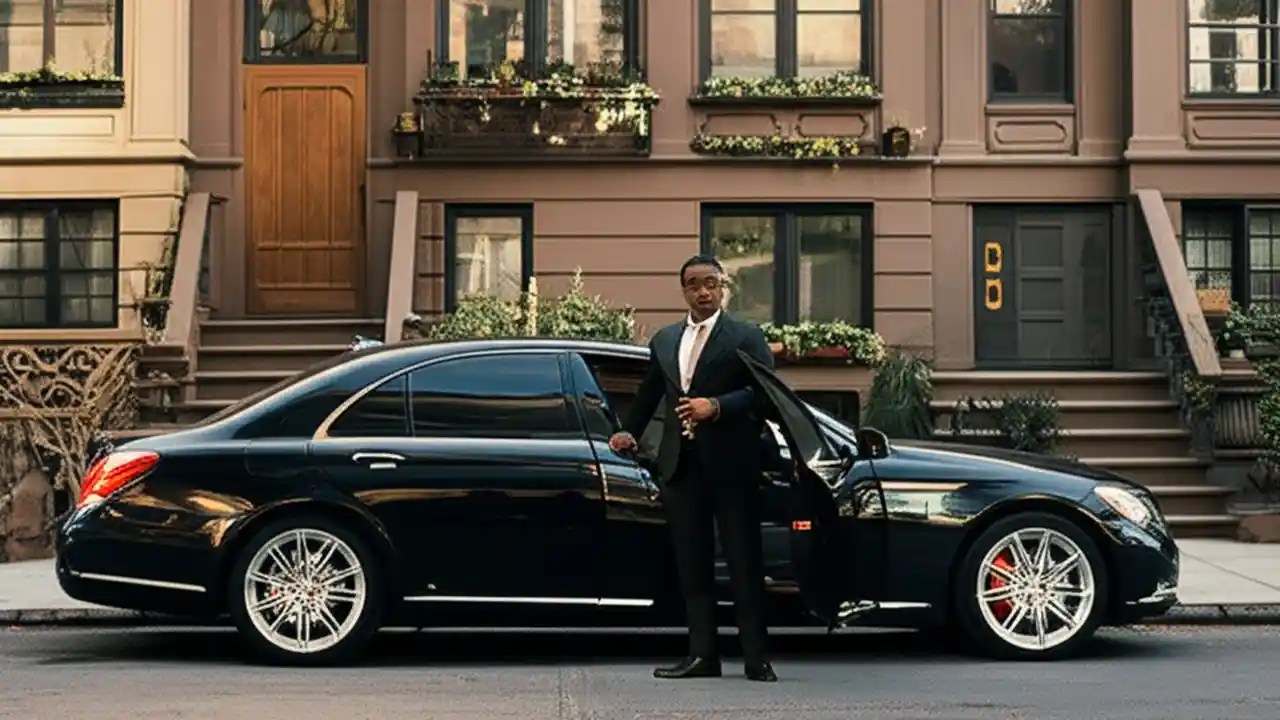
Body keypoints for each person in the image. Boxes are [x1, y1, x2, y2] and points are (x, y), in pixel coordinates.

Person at [609, 254, 778, 683]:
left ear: (724, 287)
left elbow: (763, 396)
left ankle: (757, 659)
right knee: (693, 567)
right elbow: (650, 394)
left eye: (710, 283)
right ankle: (703, 656)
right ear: (683, 289)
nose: (703, 291)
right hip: (681, 469)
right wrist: (628, 431)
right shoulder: (665, 340)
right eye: (693, 284)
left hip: (732, 468)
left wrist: (716, 407)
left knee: (744, 564)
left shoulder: (746, 336)